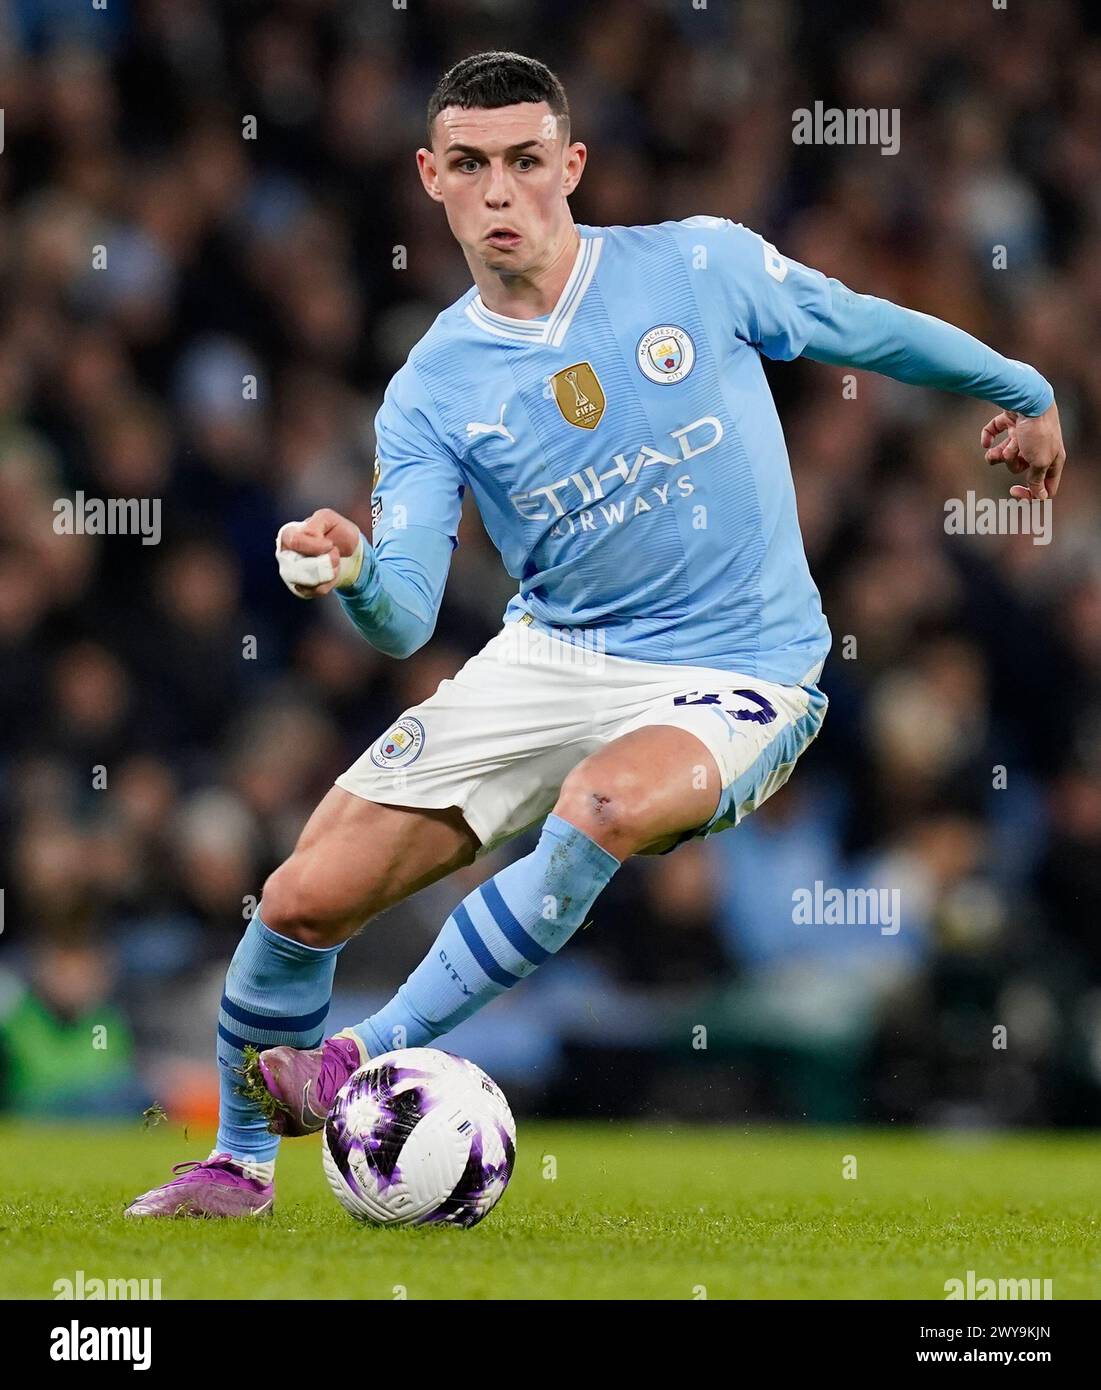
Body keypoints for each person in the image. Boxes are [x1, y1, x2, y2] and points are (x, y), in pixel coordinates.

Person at [126, 51, 1065, 1217]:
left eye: (526, 161)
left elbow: (854, 324)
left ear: (572, 165)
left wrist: (1018, 383)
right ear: (431, 177)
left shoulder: (698, 265)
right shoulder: (430, 387)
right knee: (300, 898)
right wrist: (357, 569)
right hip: (557, 651)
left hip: (743, 666)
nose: (501, 190)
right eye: (470, 165)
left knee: (604, 807)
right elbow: (406, 611)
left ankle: (364, 1052)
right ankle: (237, 1166)